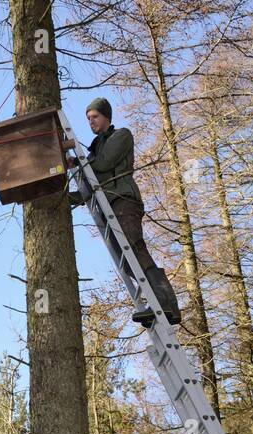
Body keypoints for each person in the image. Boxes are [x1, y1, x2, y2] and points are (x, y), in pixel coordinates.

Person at [69, 97, 180, 325]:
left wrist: (79, 162)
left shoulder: (121, 135)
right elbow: (89, 186)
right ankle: (160, 305)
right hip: (110, 205)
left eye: (95, 117)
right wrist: (65, 199)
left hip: (123, 200)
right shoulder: (95, 150)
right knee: (126, 260)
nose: (91, 122)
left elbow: (104, 164)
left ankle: (165, 302)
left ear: (106, 116)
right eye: (88, 119)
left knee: (134, 247)